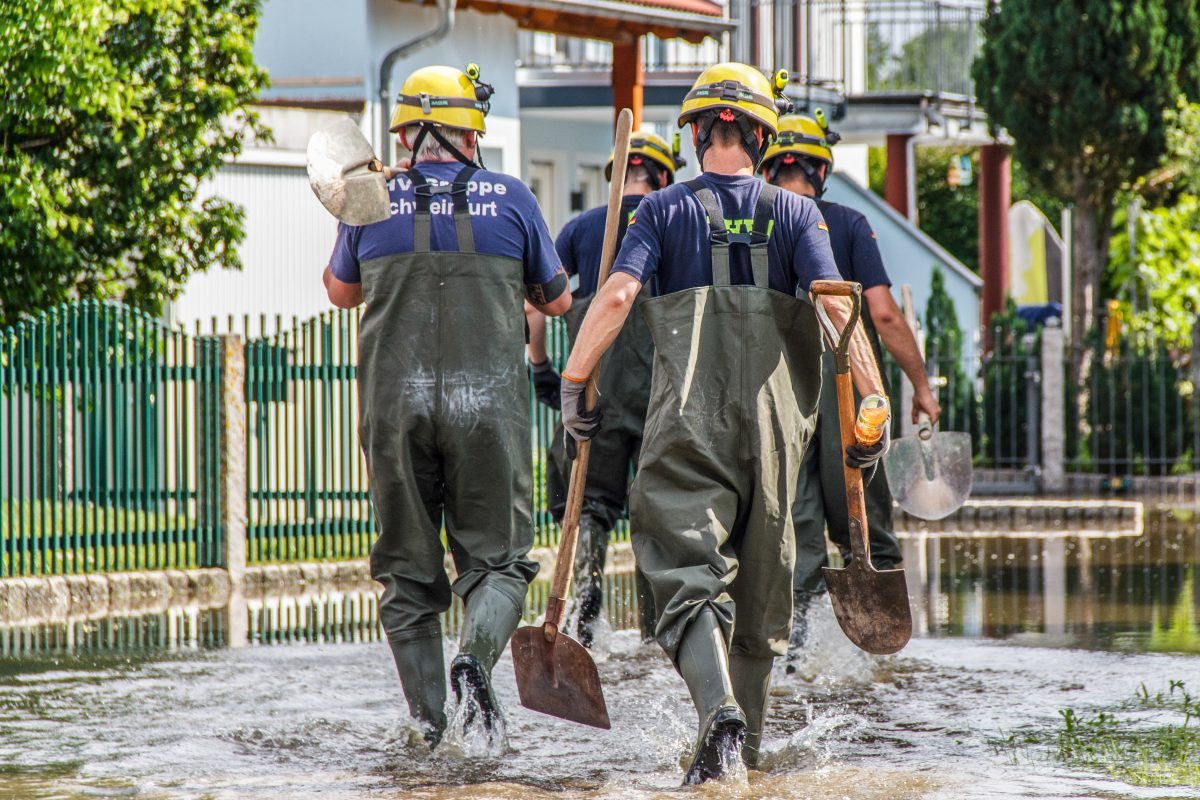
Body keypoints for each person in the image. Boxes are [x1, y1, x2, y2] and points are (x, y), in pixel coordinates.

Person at [558, 63, 889, 783]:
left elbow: (614, 298)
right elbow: (837, 304)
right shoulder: (798, 214)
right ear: (763, 137)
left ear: (698, 133)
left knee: (685, 576)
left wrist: (574, 383)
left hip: (689, 422)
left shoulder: (661, 211)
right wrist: (873, 399)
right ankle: (745, 765)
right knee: (763, 601)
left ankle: (718, 714)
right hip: (776, 431)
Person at [322, 64, 571, 750]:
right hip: (487, 411)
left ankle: (432, 733)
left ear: (404, 135)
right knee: (501, 563)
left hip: (394, 412)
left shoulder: (369, 197)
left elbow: (340, 293)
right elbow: (557, 300)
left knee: (406, 575)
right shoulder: (512, 197)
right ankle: (474, 659)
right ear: (471, 134)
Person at [758, 113, 943, 656]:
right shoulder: (848, 223)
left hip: (780, 390)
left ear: (769, 170)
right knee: (865, 525)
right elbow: (882, 315)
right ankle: (874, 655)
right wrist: (921, 387)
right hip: (845, 390)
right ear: (822, 170)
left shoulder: (758, 224)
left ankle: (798, 656)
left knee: (797, 529)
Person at [527, 131, 685, 647]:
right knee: (654, 509)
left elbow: (534, 304)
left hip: (597, 391)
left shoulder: (582, 228)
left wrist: (542, 366)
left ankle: (586, 610)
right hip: (664, 395)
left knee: (591, 505)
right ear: (663, 176)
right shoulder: (678, 221)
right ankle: (655, 632)